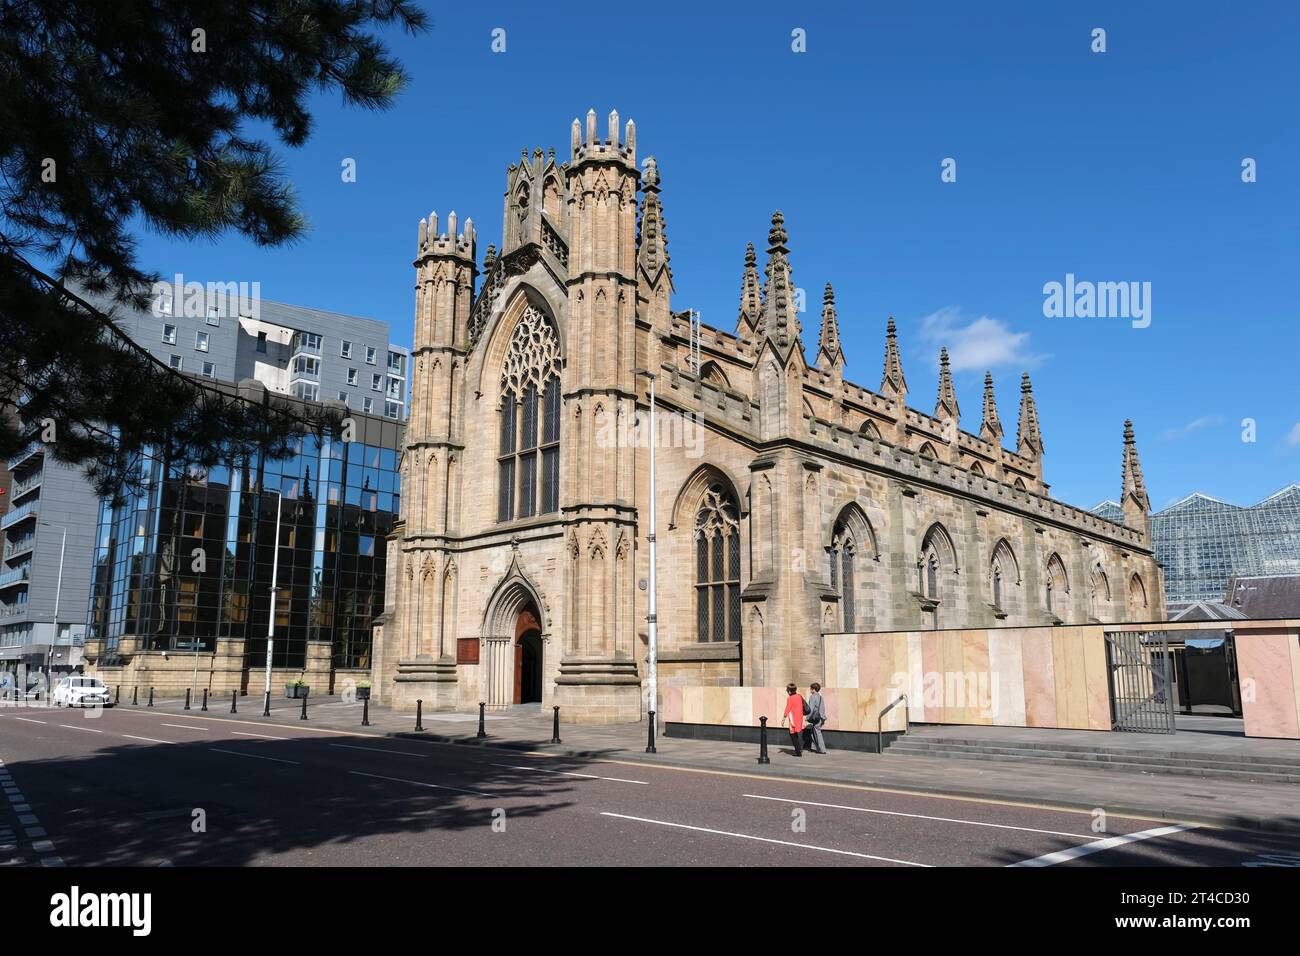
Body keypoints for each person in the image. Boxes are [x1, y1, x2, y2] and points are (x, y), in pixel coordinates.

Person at [781, 683, 805, 757]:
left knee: (792, 735)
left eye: (787, 690)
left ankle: (798, 752)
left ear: (789, 691)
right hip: (800, 718)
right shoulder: (799, 697)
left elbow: (787, 709)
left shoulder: (790, 698)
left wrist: (783, 719)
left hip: (793, 719)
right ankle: (799, 750)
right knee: (796, 734)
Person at [804, 682, 828, 754]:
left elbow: (811, 709)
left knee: (817, 733)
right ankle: (816, 748)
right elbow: (823, 708)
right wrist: (823, 717)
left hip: (816, 718)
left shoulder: (812, 697)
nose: (810, 690)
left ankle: (822, 749)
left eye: (810, 689)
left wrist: (807, 717)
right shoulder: (820, 697)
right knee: (813, 731)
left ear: (813, 689)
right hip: (820, 717)